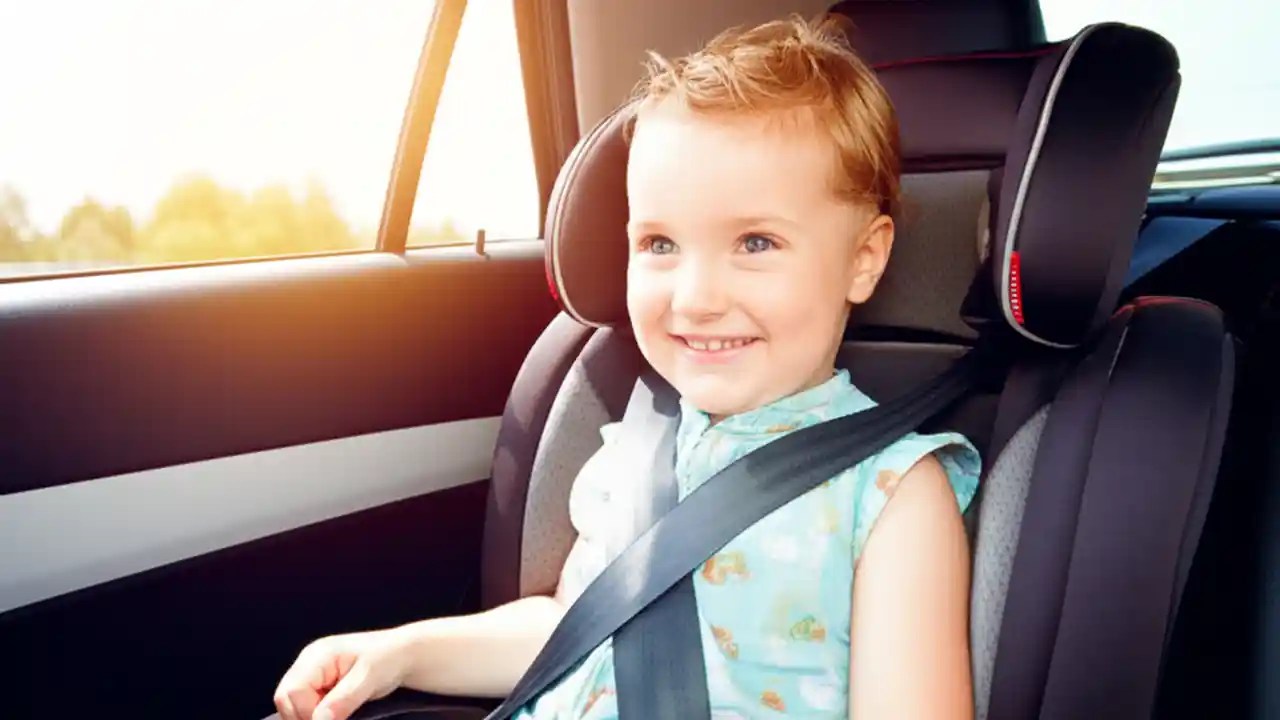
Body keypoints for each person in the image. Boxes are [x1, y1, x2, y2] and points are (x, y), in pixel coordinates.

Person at [272, 14, 980, 720]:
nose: (695, 298)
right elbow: (579, 626)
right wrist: (401, 652)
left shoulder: (892, 494)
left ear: (864, 258)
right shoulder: (635, 444)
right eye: (660, 243)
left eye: (756, 242)